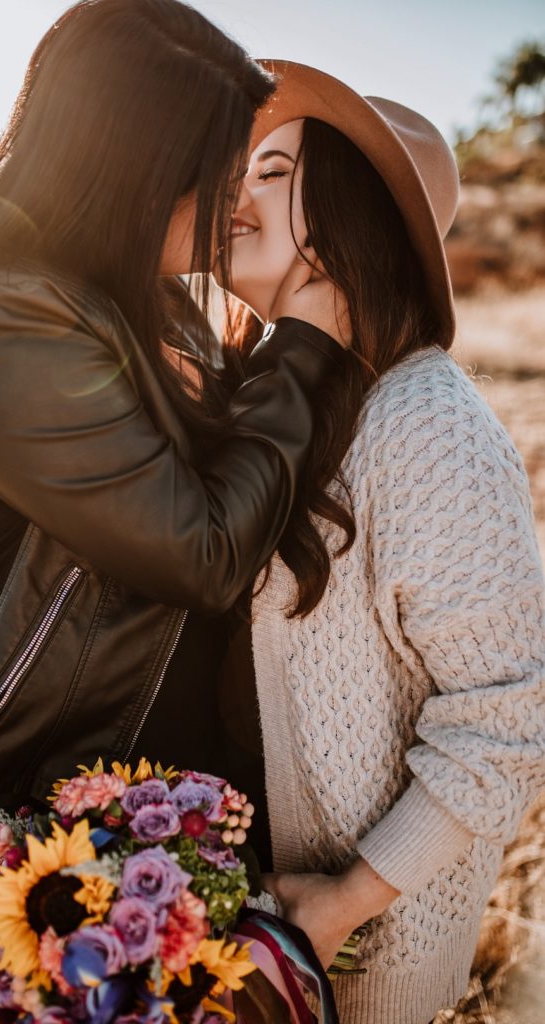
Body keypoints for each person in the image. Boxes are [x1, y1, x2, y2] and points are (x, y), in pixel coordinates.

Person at [0, 9, 350, 901]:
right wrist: (299, 347)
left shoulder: (147, 299)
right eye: (221, 173)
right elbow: (202, 552)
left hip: (173, 769)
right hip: (52, 793)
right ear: (140, 167)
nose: (238, 200)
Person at [223, 61, 545, 1024]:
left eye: (275, 173)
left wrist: (342, 903)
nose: (236, 194)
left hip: (349, 961)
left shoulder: (424, 424)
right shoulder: (266, 397)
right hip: (227, 916)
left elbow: (509, 718)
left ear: (350, 215)